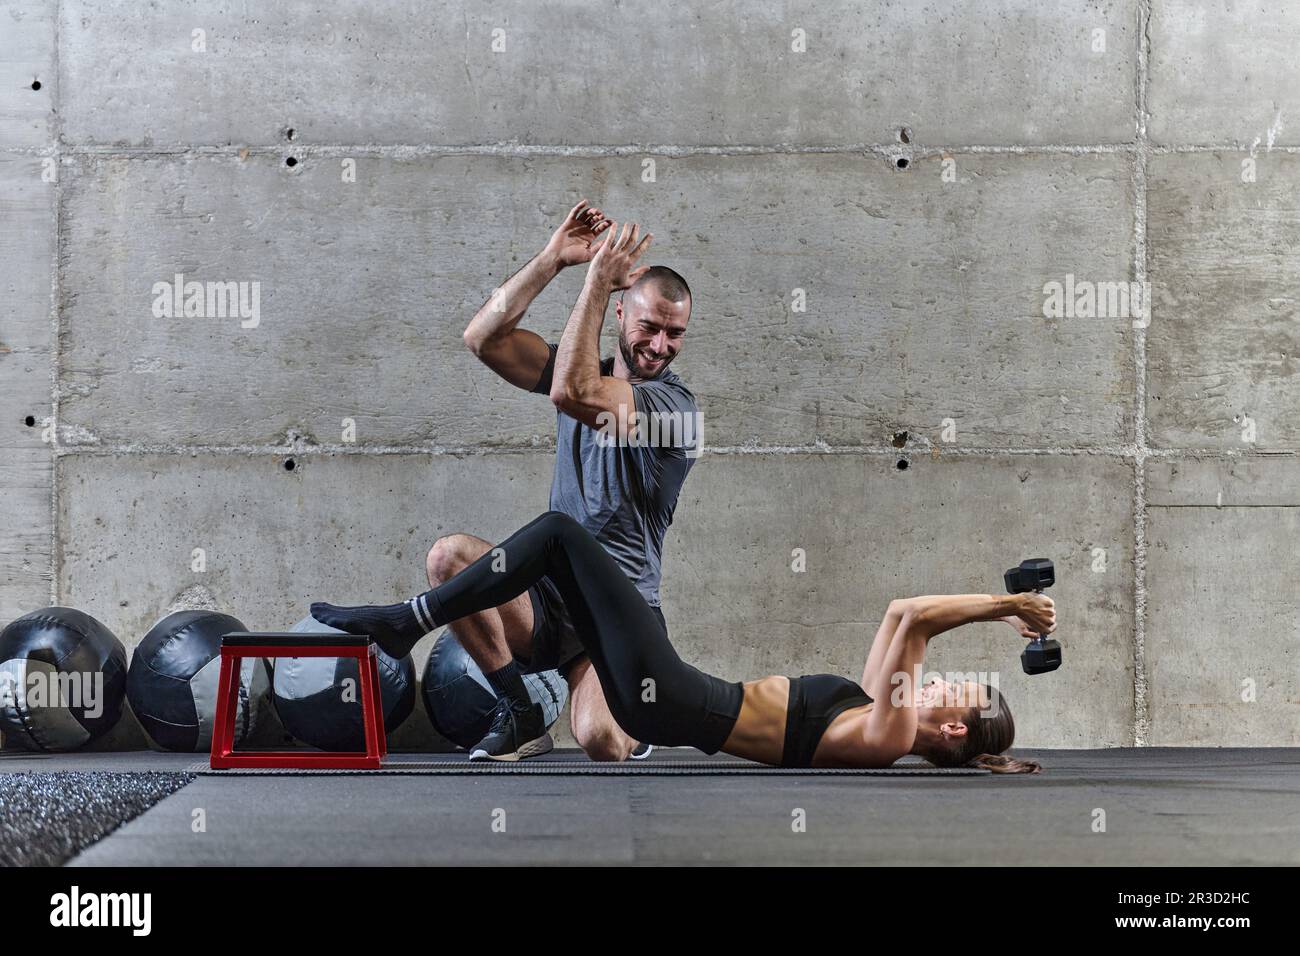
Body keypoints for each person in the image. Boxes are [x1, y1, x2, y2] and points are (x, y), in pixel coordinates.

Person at [312, 511, 1050, 772]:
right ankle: (418, 620)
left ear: (954, 726)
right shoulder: (869, 713)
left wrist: (1003, 606)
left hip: (670, 701)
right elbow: (898, 618)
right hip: (669, 697)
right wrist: (1004, 605)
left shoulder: (888, 736)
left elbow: (915, 618)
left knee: (563, 536)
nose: (945, 680)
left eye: (963, 689)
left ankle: (409, 620)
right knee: (561, 553)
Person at [432, 201, 699, 760]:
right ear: (623, 314)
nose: (659, 345)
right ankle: (521, 713)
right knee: (448, 559)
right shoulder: (582, 370)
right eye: (650, 327)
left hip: (620, 609)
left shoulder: (677, 412)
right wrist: (553, 259)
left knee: (602, 741)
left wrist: (598, 283)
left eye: (675, 334)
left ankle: (641, 705)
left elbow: (573, 394)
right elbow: (483, 338)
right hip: (548, 601)